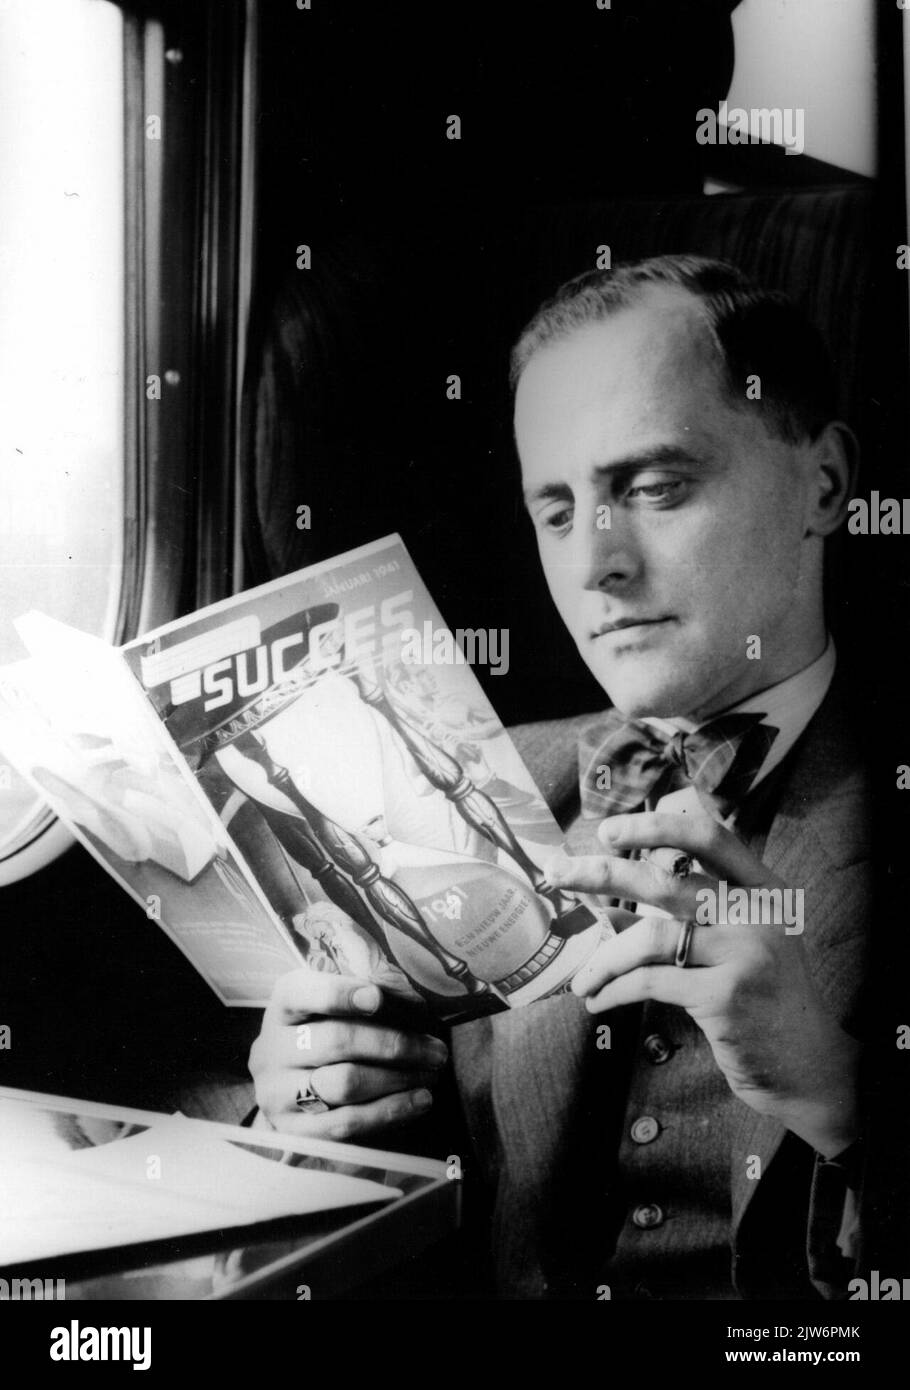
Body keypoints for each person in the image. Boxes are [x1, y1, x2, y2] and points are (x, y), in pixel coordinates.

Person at [247, 255, 877, 1299]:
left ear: (823, 484)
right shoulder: (478, 787)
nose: (594, 564)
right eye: (554, 510)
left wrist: (842, 1098)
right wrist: (306, 1114)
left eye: (656, 487)